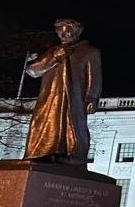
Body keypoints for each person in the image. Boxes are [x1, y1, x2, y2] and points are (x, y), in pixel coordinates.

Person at [24, 18, 102, 164]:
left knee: (74, 125)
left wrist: (92, 97)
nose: (64, 34)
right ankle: (42, 151)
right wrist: (54, 57)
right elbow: (32, 70)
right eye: (61, 31)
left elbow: (94, 76)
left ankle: (73, 155)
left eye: (68, 30)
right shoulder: (53, 51)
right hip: (50, 97)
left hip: (75, 98)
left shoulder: (89, 52)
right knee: (43, 122)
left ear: (77, 32)